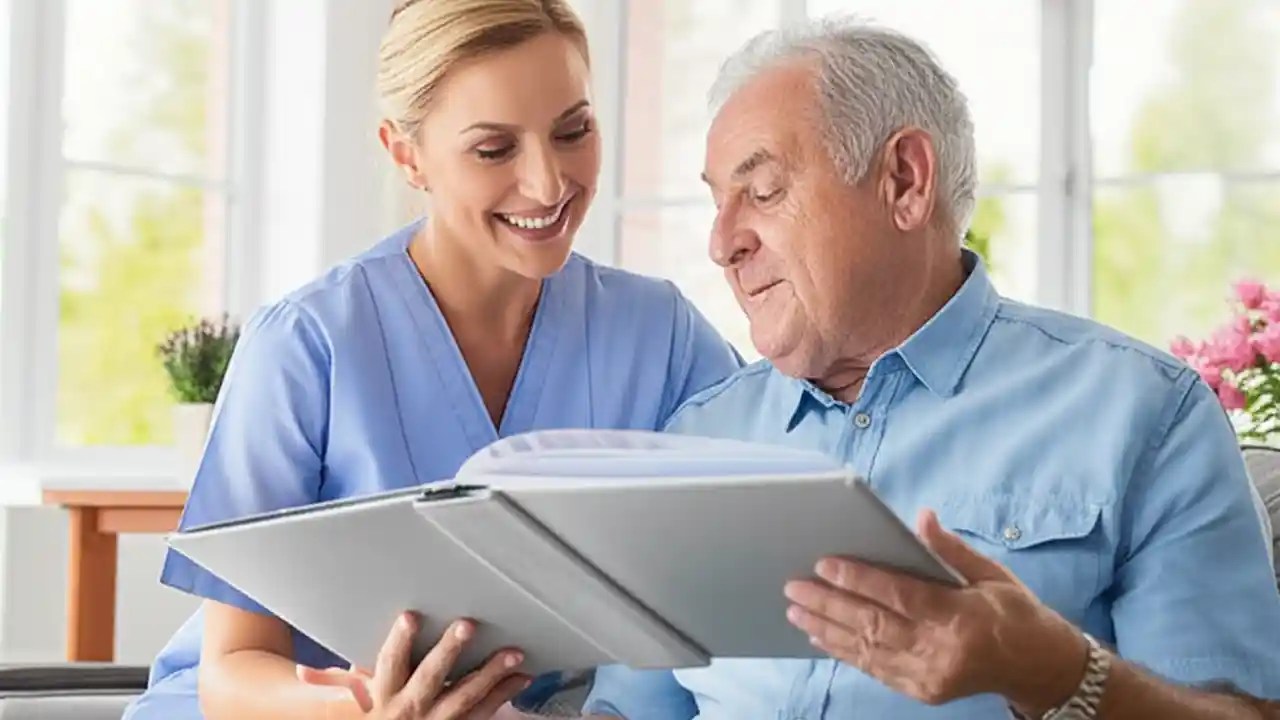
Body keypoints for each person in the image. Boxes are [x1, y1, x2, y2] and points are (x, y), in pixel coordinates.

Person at [573, 16, 1280, 720]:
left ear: (905, 181)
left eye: (762, 193)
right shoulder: (694, 439)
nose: (722, 242)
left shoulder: (1149, 415)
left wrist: (1060, 675)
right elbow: (631, 711)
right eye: (717, 202)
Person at [121, 1, 741, 718]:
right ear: (405, 153)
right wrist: (376, 709)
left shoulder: (659, 334)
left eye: (574, 131)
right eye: (493, 150)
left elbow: (759, 521)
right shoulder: (306, 345)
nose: (548, 183)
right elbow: (229, 675)